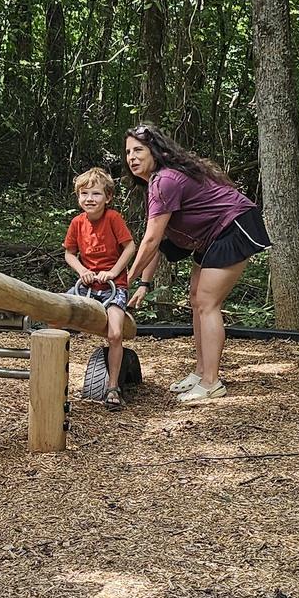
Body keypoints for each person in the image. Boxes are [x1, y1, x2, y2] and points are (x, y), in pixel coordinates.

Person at [120, 123, 269, 403]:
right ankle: (201, 373)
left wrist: (123, 282)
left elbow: (150, 241)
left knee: (207, 302)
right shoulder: (157, 184)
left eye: (138, 150)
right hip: (211, 236)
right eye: (128, 152)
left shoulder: (165, 181)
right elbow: (158, 240)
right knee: (195, 299)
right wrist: (143, 283)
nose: (132, 157)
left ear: (155, 151)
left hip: (233, 227)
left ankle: (212, 382)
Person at [62, 167, 137, 410]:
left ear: (108, 197)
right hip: (86, 286)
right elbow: (69, 253)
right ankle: (54, 376)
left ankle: (112, 386)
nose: (89, 199)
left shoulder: (113, 219)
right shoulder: (77, 222)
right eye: (84, 194)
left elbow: (130, 247)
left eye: (95, 194)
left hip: (113, 287)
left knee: (114, 333)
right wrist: (82, 270)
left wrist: (114, 272)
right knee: (54, 316)